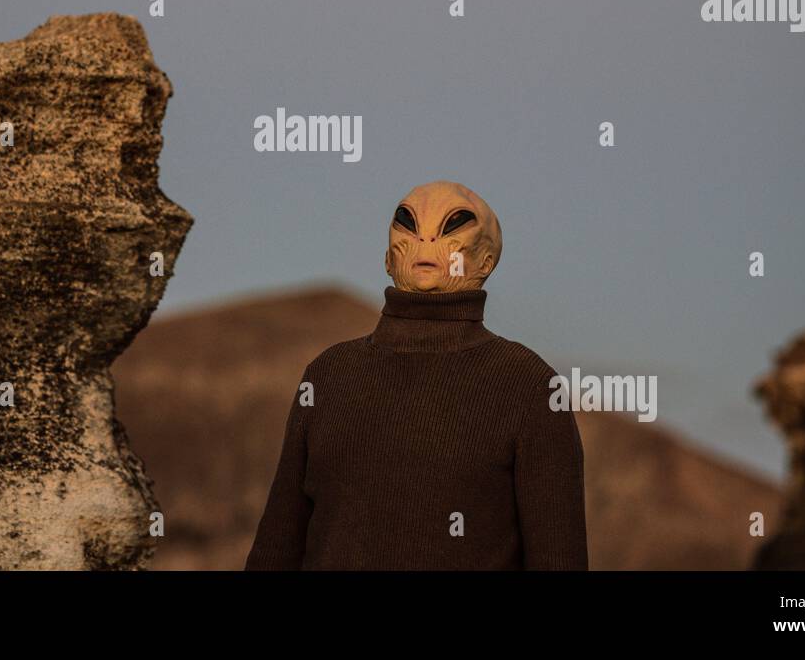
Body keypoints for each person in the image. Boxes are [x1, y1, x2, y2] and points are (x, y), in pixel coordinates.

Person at [245, 180, 588, 570]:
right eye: (407, 223)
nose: (426, 239)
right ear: (388, 259)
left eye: (453, 226)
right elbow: (277, 546)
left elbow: (559, 558)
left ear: (486, 262)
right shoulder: (329, 376)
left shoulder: (528, 387)